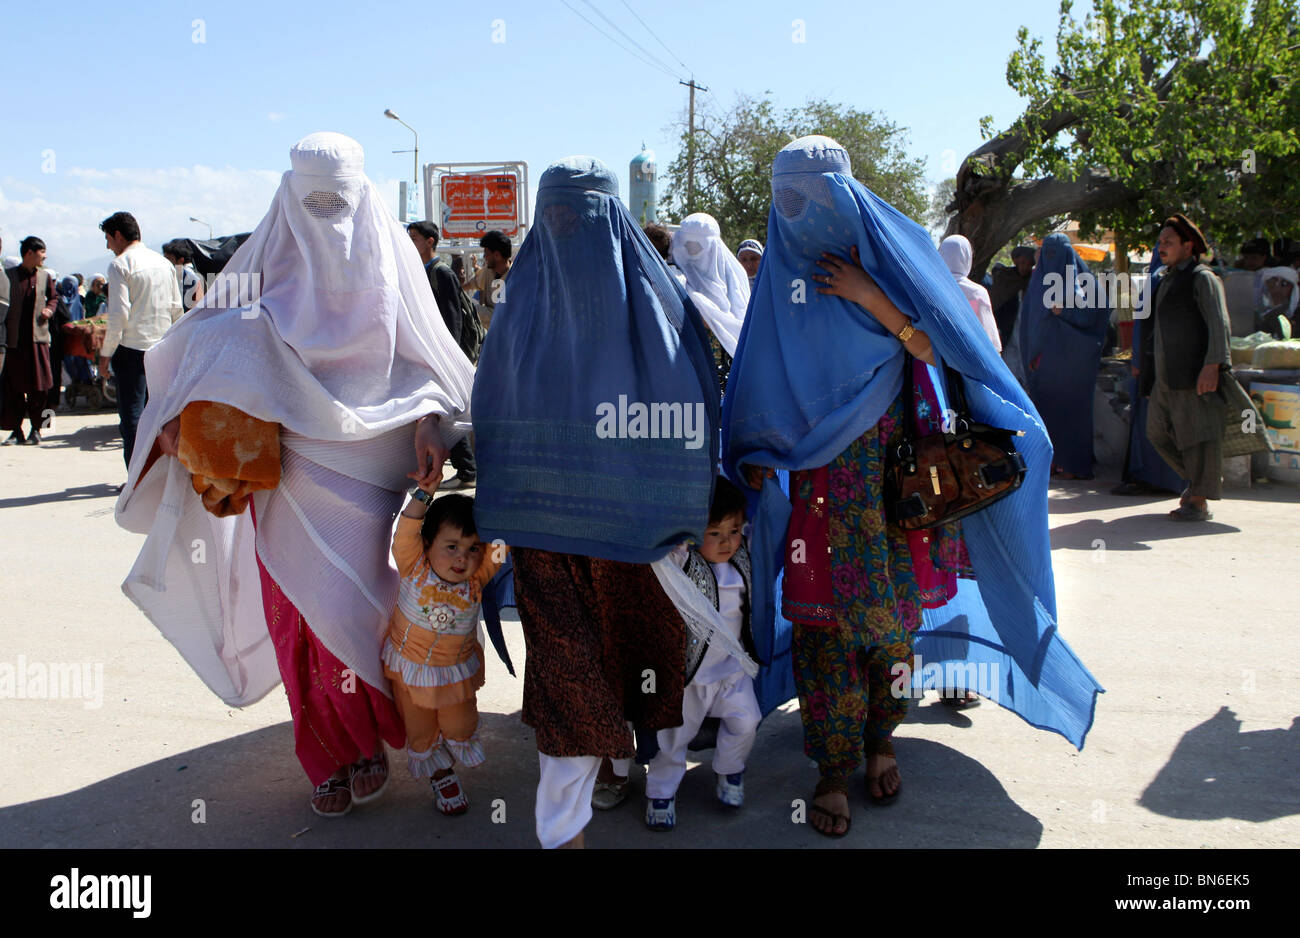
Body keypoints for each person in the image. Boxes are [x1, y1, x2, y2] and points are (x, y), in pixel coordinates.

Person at [724, 135, 1102, 837]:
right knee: (822, 629)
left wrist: (875, 299)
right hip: (816, 493)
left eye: (813, 195)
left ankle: (881, 738)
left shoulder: (894, 261)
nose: (801, 212)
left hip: (893, 491)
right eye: (787, 198)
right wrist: (749, 448)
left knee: (890, 630)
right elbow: (760, 374)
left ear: (844, 194)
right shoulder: (780, 278)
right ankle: (833, 767)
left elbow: (941, 348)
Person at [114, 132, 475, 817]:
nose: (328, 222)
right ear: (287, 199)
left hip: (377, 474)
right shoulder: (259, 278)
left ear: (363, 197)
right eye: (313, 203)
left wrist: (432, 420)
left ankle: (405, 738)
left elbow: (430, 360)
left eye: (338, 202)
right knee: (304, 623)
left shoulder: (393, 265)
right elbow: (190, 350)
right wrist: (186, 415)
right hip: (286, 480)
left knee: (375, 616)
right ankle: (335, 753)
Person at [471, 156, 719, 848]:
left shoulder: (663, 307)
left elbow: (692, 409)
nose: (562, 229)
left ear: (610, 220)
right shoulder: (519, 306)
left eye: (576, 217)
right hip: (546, 534)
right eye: (550, 216)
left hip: (636, 540)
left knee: (639, 675)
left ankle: (634, 775)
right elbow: (491, 403)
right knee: (568, 678)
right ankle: (563, 833)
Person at [645, 478, 760, 831]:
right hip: (688, 677)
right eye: (715, 533)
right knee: (673, 737)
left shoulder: (745, 555)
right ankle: (661, 793)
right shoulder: (680, 563)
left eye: (734, 530)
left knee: (747, 722)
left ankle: (730, 772)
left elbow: (766, 524)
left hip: (733, 671)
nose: (727, 541)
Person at [383, 490, 506, 815]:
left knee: (460, 727)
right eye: (451, 547)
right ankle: (440, 775)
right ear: (426, 545)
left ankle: (453, 746)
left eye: (472, 549)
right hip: (410, 671)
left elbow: (502, 543)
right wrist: (425, 491)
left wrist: (501, 486)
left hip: (455, 674)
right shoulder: (413, 566)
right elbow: (407, 529)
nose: (461, 558)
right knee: (420, 731)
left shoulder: (477, 578)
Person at [1144, 214, 1267, 522]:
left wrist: (1213, 365)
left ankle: (1197, 499)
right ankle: (1199, 482)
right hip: (1166, 376)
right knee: (1157, 431)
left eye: (1168, 242)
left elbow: (1218, 323)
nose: (1162, 247)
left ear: (1188, 246)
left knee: (1199, 436)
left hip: (1193, 374)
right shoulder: (1168, 276)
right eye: (1160, 242)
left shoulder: (1203, 278)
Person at [1018, 233, 1110, 478]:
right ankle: (1050, 460)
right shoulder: (1038, 283)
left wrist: (1067, 312)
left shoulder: (1085, 283)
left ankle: (1073, 463)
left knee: (1073, 413)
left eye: (1056, 253)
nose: (1052, 259)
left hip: (1074, 362)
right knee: (1047, 412)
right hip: (1045, 363)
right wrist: (1032, 357)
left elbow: (1098, 312)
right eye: (1047, 253)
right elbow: (1029, 323)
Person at [100, 212, 183, 467]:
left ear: (118, 235)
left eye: (108, 239)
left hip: (132, 350)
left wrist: (105, 355)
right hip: (162, 349)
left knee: (132, 418)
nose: (108, 246)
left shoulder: (120, 265)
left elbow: (118, 315)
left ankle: (136, 477)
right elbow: (176, 309)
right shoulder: (164, 264)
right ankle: (158, 475)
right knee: (159, 414)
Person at [407, 220, 479, 488]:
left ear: (430, 242)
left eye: (414, 238)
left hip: (444, 356)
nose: (410, 244)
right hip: (430, 354)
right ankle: (463, 468)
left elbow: (453, 320)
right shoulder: (420, 272)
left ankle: (467, 470)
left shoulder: (441, 272)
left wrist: (449, 357)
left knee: (446, 411)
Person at [671, 213, 751, 391]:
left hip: (734, 386)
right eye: (685, 246)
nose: (690, 253)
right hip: (687, 386)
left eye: (696, 246)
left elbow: (743, 328)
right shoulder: (674, 282)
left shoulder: (736, 278)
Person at [2, 237, 58, 445]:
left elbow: (54, 298)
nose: (44, 256)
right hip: (14, 342)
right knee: (13, 388)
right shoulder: (9, 276)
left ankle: (39, 429)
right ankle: (15, 430)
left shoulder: (45, 277)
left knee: (43, 386)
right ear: (29, 253)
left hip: (38, 341)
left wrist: (49, 310)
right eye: (41, 252)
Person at [939, 234, 1002, 351]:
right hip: (968, 357)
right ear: (966, 257)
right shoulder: (977, 293)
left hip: (933, 357)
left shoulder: (932, 288)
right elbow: (990, 338)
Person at [987, 245, 1035, 351]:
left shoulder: (1033, 281)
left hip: (1025, 330)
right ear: (1016, 261)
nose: (1025, 267)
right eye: (1022, 263)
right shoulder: (1005, 278)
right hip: (1005, 330)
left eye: (1029, 264)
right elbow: (996, 302)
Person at [469, 229, 512, 331]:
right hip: (493, 333)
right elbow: (473, 283)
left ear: (497, 255)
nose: (484, 257)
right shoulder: (488, 271)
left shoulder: (516, 276)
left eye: (486, 253)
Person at [161, 240, 205, 313]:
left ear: (181, 260)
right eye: (164, 258)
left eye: (169, 259)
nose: (166, 262)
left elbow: (198, 309)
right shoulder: (163, 277)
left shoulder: (193, 280)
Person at [1255, 266, 1298, 339]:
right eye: (1274, 280)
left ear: (1292, 288)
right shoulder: (1257, 310)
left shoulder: (1295, 314)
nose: (1277, 285)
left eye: (1284, 283)